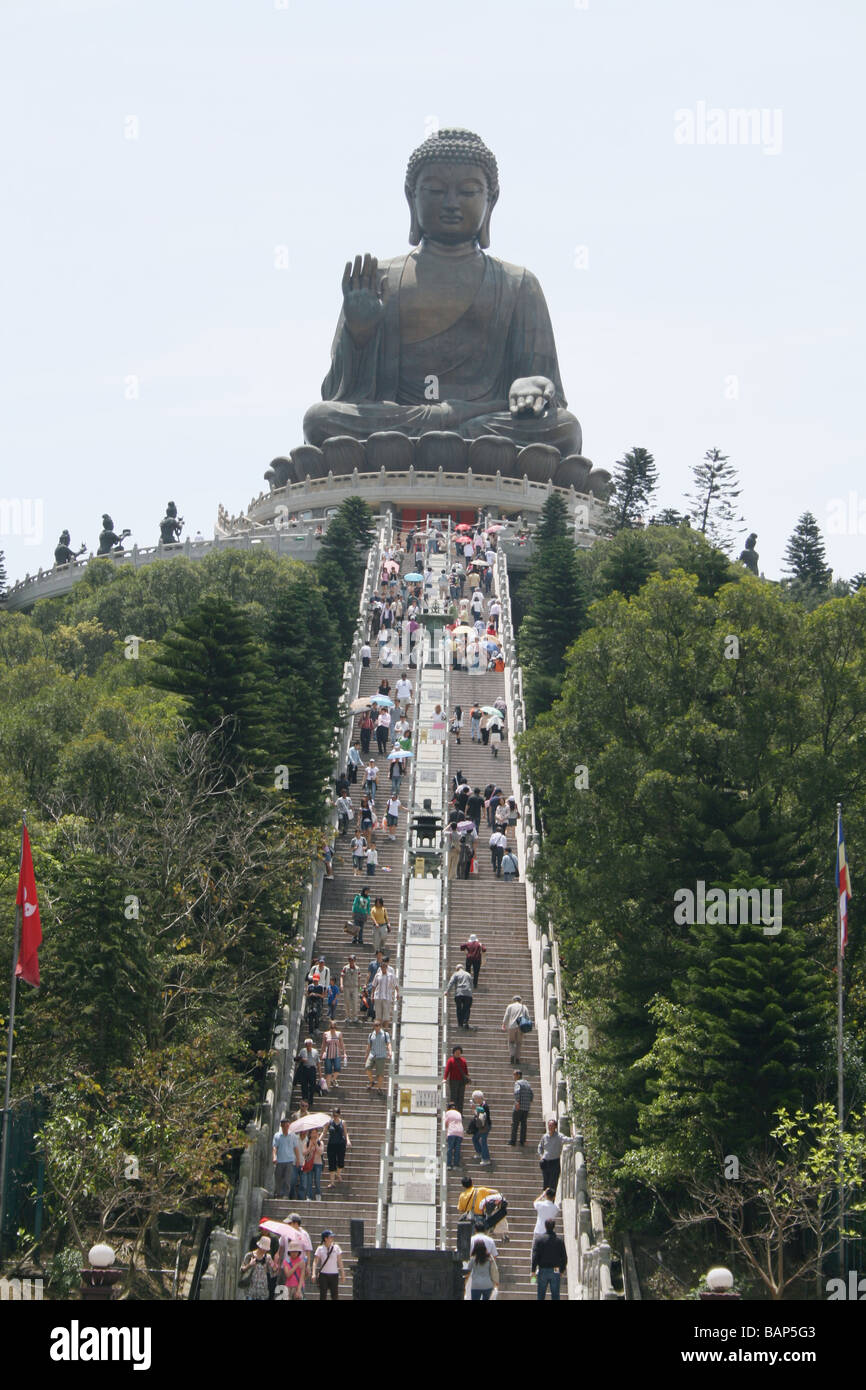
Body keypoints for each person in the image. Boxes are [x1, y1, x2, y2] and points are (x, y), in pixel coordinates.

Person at [532, 1218, 568, 1300]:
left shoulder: (539, 1240)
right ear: (554, 1227)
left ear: (545, 1226)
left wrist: (533, 1270)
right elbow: (564, 1257)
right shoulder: (559, 1241)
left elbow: (535, 1256)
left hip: (543, 1269)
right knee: (555, 1295)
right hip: (556, 1269)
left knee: (541, 1295)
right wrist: (562, 1270)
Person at [272, 1116, 303, 1201]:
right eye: (284, 1126)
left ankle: (285, 1195)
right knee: (278, 1178)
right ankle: (278, 1194)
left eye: (287, 1126)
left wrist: (298, 1159)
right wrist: (274, 1157)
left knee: (287, 1179)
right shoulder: (277, 1136)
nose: (285, 1128)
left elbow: (296, 1148)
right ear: (281, 1126)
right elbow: (275, 1147)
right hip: (280, 1160)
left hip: (289, 1160)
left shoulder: (292, 1136)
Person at [240, 1235, 278, 1301]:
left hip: (262, 1291)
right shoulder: (249, 1255)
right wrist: (249, 1265)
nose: (263, 1250)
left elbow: (272, 1274)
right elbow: (242, 1270)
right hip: (250, 1290)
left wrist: (275, 1267)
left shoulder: (268, 1257)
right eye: (262, 1248)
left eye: (265, 1249)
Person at [313, 1230, 346, 1300]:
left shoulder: (336, 1248)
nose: (332, 1238)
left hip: (334, 1274)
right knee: (323, 1295)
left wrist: (342, 1273)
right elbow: (315, 1262)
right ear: (325, 1238)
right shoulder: (320, 1249)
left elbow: (340, 1261)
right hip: (323, 1274)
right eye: (330, 1237)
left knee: (334, 1295)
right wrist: (313, 1274)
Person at [538, 1118, 566, 1195]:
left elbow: (566, 1139)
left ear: (555, 1127)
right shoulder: (545, 1137)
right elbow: (540, 1147)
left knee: (553, 1184)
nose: (550, 1127)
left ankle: (551, 1201)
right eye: (549, 1125)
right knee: (545, 1183)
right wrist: (541, 1156)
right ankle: (545, 1200)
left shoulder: (559, 1137)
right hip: (545, 1162)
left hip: (555, 1162)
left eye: (552, 1125)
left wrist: (574, 1139)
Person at [324, 1110, 351, 1188]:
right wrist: (319, 1139)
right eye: (334, 1115)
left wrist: (348, 1141)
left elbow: (346, 1133)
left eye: (336, 1115)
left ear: (339, 1115)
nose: (335, 1117)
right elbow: (324, 1132)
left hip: (340, 1144)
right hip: (331, 1144)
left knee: (341, 1162)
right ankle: (332, 1183)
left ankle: (338, 1174)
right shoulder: (329, 1122)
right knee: (331, 1162)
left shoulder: (343, 1122)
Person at [365, 1017, 392, 1092]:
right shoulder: (371, 1035)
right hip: (372, 1055)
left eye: (378, 1025)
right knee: (367, 1067)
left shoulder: (385, 1034)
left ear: (380, 1026)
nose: (376, 1027)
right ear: (373, 1026)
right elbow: (369, 1046)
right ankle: (372, 1081)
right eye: (375, 1025)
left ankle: (379, 1088)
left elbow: (388, 1043)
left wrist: (390, 1051)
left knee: (380, 1074)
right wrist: (366, 1055)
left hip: (381, 1056)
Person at [467, 1090, 492, 1166]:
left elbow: (481, 1116)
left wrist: (475, 1109)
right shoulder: (481, 1105)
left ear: (478, 1098)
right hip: (481, 1127)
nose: (474, 1100)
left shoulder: (484, 1105)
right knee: (475, 1138)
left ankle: (486, 1159)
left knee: (483, 1142)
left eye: (475, 1098)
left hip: (484, 1126)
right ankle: (480, 1153)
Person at [445, 963, 474, 1029]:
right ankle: (465, 1021)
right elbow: (471, 985)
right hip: (468, 994)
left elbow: (451, 983)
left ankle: (460, 1023)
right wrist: (471, 993)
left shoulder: (456, 974)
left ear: (457, 969)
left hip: (459, 993)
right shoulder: (468, 974)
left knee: (459, 1008)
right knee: (467, 1009)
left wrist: (447, 991)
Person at [443, 1044, 471, 1113]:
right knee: (453, 1097)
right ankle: (452, 1112)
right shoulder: (451, 1060)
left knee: (461, 1098)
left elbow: (466, 1071)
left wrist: (467, 1079)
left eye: (459, 1052)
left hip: (462, 1082)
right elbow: (447, 1070)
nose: (458, 1054)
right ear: (454, 1053)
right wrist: (445, 1078)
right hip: (453, 1081)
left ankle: (460, 1112)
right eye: (456, 1052)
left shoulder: (463, 1061)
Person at [371, 956, 398, 1025]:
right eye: (382, 966)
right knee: (378, 1015)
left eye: (385, 965)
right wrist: (372, 995)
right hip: (378, 995)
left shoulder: (391, 973)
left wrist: (397, 993)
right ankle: (378, 1029)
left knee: (386, 1016)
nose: (383, 967)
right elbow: (374, 985)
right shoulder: (378, 973)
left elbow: (395, 984)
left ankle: (385, 1030)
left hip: (387, 995)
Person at [502, 996, 528, 1064]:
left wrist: (504, 1024)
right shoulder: (524, 1007)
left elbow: (506, 1015)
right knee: (519, 1043)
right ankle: (517, 1058)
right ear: (520, 1000)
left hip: (512, 1026)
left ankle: (512, 1055)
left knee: (511, 1042)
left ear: (513, 1000)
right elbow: (527, 1017)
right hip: (520, 1026)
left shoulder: (510, 1006)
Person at [321, 1023, 347, 1090]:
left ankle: (333, 1079)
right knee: (328, 1072)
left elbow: (342, 1043)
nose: (333, 1029)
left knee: (337, 1069)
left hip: (337, 1054)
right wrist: (321, 1054)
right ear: (329, 1027)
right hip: (328, 1054)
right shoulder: (325, 1034)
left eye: (334, 1027)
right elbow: (323, 1045)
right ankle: (327, 1088)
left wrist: (344, 1053)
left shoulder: (339, 1034)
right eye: (331, 1027)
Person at [511, 1070, 534, 1146]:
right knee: (524, 1124)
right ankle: (522, 1140)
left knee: (515, 1124)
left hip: (519, 1106)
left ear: (518, 1075)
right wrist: (528, 1102)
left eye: (514, 1075)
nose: (513, 1077)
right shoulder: (527, 1083)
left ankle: (513, 1140)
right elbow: (531, 1094)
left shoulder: (518, 1083)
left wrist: (517, 1102)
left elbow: (517, 1092)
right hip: (526, 1107)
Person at [295, 1038, 321, 1105]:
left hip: (312, 1069)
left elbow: (318, 1062)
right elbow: (297, 1059)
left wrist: (320, 1074)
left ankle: (311, 1099)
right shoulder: (302, 1051)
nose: (308, 1046)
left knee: (312, 1085)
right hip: (304, 1069)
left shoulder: (315, 1051)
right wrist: (302, 1059)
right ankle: (304, 1098)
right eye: (307, 1044)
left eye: (309, 1044)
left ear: (312, 1044)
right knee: (304, 1085)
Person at [340, 953, 361, 1023]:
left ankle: (355, 1017)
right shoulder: (345, 968)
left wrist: (360, 989)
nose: (351, 961)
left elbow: (359, 979)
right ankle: (347, 1017)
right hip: (347, 987)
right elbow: (342, 976)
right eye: (350, 960)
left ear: (355, 960)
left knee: (355, 1002)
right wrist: (341, 985)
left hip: (355, 987)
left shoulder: (358, 968)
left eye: (353, 960)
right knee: (347, 1002)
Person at [444, 1103, 464, 1169]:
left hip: (452, 1132)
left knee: (450, 1149)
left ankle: (449, 1164)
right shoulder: (459, 1113)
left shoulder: (447, 1113)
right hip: (460, 1132)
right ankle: (456, 1165)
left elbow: (445, 1123)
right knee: (457, 1149)